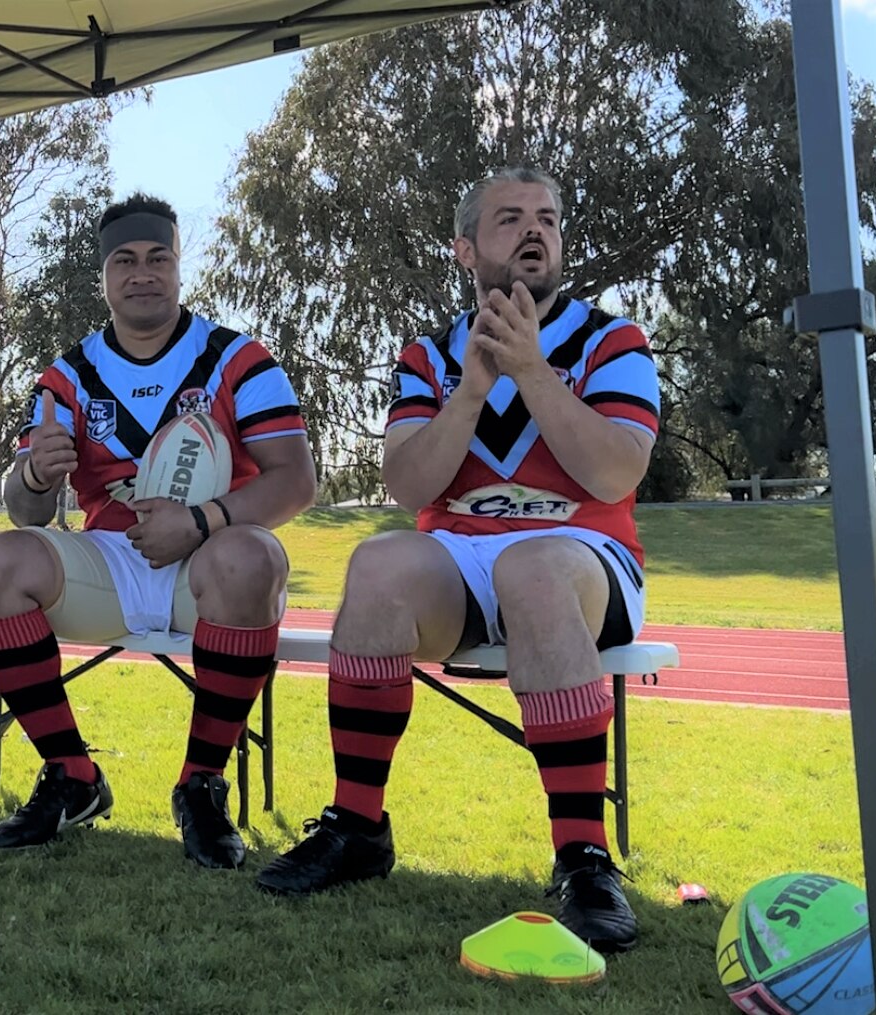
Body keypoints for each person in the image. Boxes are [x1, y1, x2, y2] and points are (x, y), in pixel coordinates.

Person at [254, 168, 659, 954]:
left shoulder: (614, 342)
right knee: (376, 564)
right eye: (509, 218)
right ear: (465, 250)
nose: (534, 230)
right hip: (459, 556)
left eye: (546, 218)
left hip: (583, 554)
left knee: (532, 568)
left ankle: (583, 856)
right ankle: (357, 825)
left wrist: (531, 369)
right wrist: (470, 391)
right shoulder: (427, 356)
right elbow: (409, 486)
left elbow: (614, 473)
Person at [0, 194, 316, 869]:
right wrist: (33, 474)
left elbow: (295, 480)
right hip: (111, 558)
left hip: (209, 558)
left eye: (158, 258)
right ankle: (72, 775)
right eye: (124, 260)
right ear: (104, 275)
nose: (142, 273)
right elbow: (25, 512)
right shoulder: (67, 375)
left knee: (252, 557)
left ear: (179, 267)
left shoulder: (238, 358)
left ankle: (201, 783)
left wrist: (200, 521)